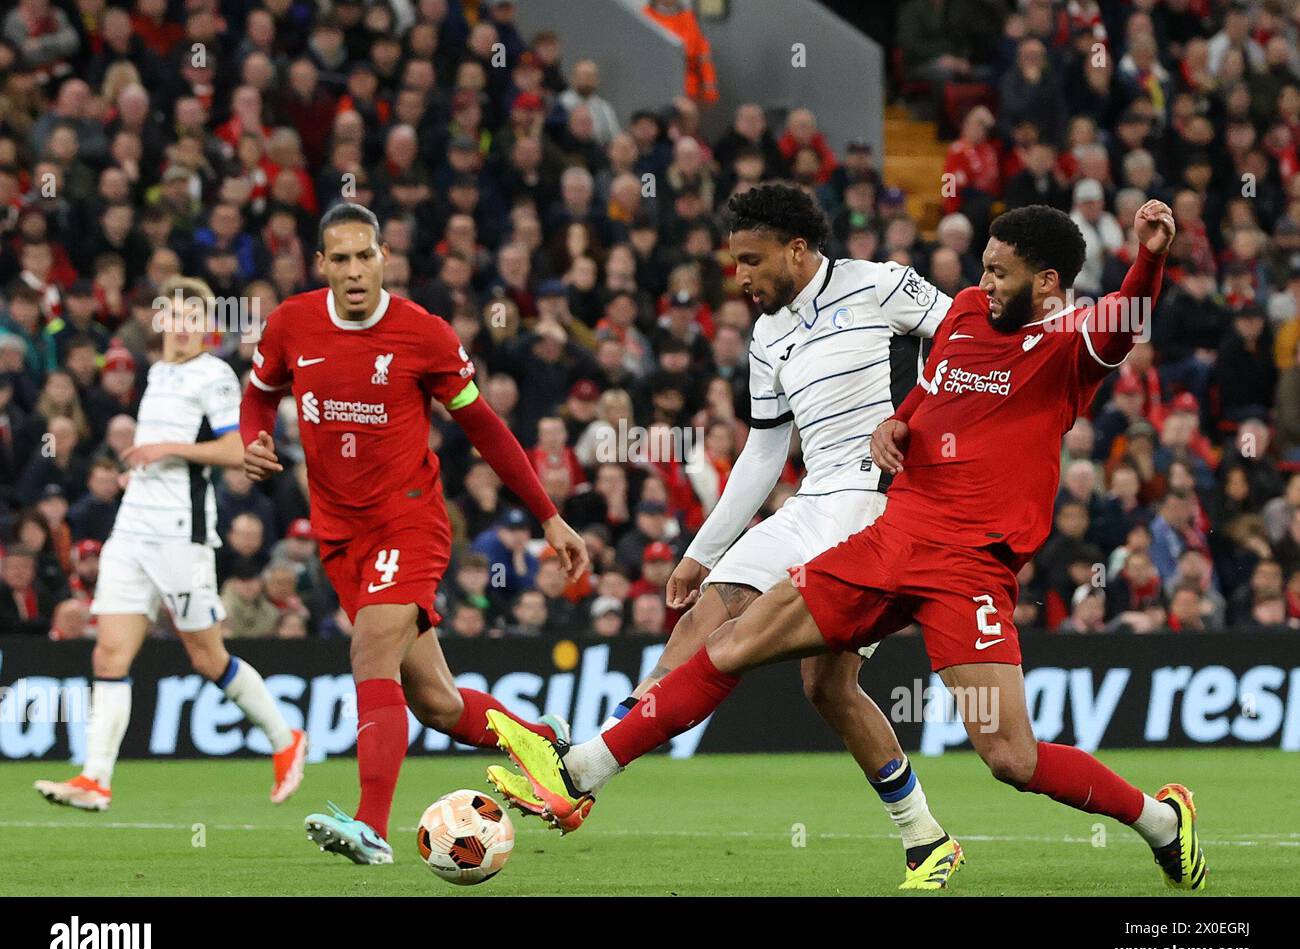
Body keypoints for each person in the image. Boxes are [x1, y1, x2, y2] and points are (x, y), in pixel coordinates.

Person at [489, 201, 1209, 893]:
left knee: (1011, 758)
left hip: (970, 566)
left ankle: (1157, 820)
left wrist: (1149, 257)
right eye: (983, 267)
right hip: (892, 537)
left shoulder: (1070, 342)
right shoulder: (962, 312)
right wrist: (895, 426)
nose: (983, 283)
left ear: (1047, 283)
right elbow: (933, 389)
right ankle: (579, 771)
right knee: (737, 640)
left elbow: (1128, 320)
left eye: (1000, 273)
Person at [488, 182, 963, 887]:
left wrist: (920, 422)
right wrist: (701, 552)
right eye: (734, 262)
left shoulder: (882, 286)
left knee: (827, 688)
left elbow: (971, 347)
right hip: (812, 500)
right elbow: (765, 452)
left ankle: (924, 837)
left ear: (797, 250)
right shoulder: (769, 335)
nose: (740, 278)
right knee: (704, 616)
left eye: (751, 260)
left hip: (881, 507)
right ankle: (584, 768)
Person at [239, 202, 589, 865]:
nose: (352, 271)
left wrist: (548, 513)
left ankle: (370, 826)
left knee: (370, 652)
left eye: (364, 256)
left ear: (383, 259)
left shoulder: (421, 335)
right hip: (340, 536)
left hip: (410, 520)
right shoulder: (291, 324)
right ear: (321, 265)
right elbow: (259, 391)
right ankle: (544, 744)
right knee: (434, 701)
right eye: (338, 259)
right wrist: (251, 437)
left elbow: (483, 424)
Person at [34, 277, 307, 813]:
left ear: (206, 326)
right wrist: (139, 471)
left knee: (208, 657)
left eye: (189, 318)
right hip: (132, 530)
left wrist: (166, 448)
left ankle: (285, 740)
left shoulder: (216, 376)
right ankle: (96, 779)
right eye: (171, 317)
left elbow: (236, 449)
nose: (179, 327)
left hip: (182, 534)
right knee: (109, 653)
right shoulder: (157, 372)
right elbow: (158, 455)